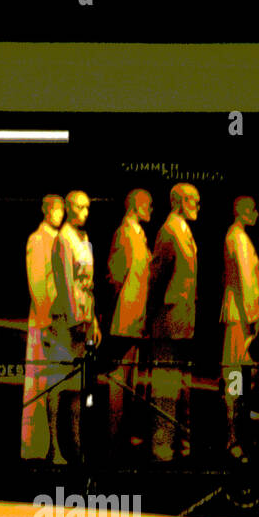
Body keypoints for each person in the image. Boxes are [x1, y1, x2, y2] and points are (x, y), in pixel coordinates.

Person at [44, 190, 101, 464]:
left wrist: (94, 318)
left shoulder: (85, 238)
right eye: (80, 207)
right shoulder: (63, 239)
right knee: (57, 382)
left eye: (88, 207)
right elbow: (66, 281)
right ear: (69, 208)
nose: (85, 212)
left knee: (78, 387)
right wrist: (76, 319)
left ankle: (76, 444)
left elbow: (89, 283)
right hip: (66, 320)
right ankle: (54, 446)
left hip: (84, 314)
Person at [145, 183, 199, 462]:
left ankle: (180, 443)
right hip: (167, 318)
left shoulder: (184, 231)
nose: (197, 206)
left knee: (180, 384)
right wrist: (149, 315)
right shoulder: (168, 232)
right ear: (178, 201)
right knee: (165, 385)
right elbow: (157, 277)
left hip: (181, 319)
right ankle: (162, 444)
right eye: (192, 200)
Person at [107, 188, 152, 454]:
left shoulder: (137, 234)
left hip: (134, 319)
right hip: (124, 319)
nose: (151, 209)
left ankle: (122, 436)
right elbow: (115, 275)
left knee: (129, 381)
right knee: (119, 380)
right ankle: (114, 439)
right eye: (148, 205)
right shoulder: (124, 233)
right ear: (136, 206)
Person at [22, 194, 65, 460]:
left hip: (57, 324)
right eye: (57, 210)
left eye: (62, 211)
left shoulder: (58, 240)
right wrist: (45, 321)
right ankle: (38, 448)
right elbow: (37, 284)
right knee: (41, 386)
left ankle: (51, 447)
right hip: (44, 324)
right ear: (47, 210)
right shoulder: (38, 240)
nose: (60, 215)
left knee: (54, 386)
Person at [220, 194, 259, 459]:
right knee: (234, 377)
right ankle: (233, 439)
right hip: (241, 318)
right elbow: (247, 280)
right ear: (244, 212)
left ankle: (236, 436)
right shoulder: (238, 239)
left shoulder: (237, 237)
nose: (257, 213)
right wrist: (253, 318)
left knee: (236, 377)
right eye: (254, 209)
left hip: (239, 316)